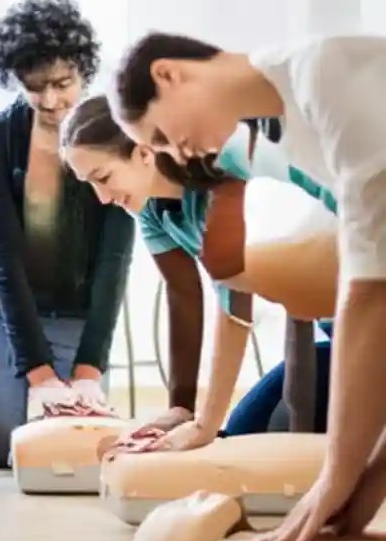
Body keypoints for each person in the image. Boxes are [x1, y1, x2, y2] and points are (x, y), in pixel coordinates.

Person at [106, 31, 386, 541]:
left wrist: (338, 474)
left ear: (169, 74)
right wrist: (362, 482)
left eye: (161, 135)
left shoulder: (321, 74)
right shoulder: (296, 135)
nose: (173, 153)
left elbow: (370, 292)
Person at [61, 93, 338, 448]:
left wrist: (205, 423)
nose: (101, 198)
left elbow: (235, 306)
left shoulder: (226, 170)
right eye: (89, 184)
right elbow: (183, 294)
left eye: (103, 177)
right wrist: (181, 409)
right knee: (238, 436)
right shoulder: (151, 211)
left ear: (143, 153)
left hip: (367, 319)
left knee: (276, 434)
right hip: (335, 331)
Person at [0, 0, 134, 467]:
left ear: (83, 71)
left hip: (72, 308)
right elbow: (1, 256)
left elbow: (114, 259)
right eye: (34, 85)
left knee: (64, 440)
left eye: (62, 83)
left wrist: (87, 371)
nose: (50, 100)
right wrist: (40, 375)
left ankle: (6, 375)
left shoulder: (111, 131)